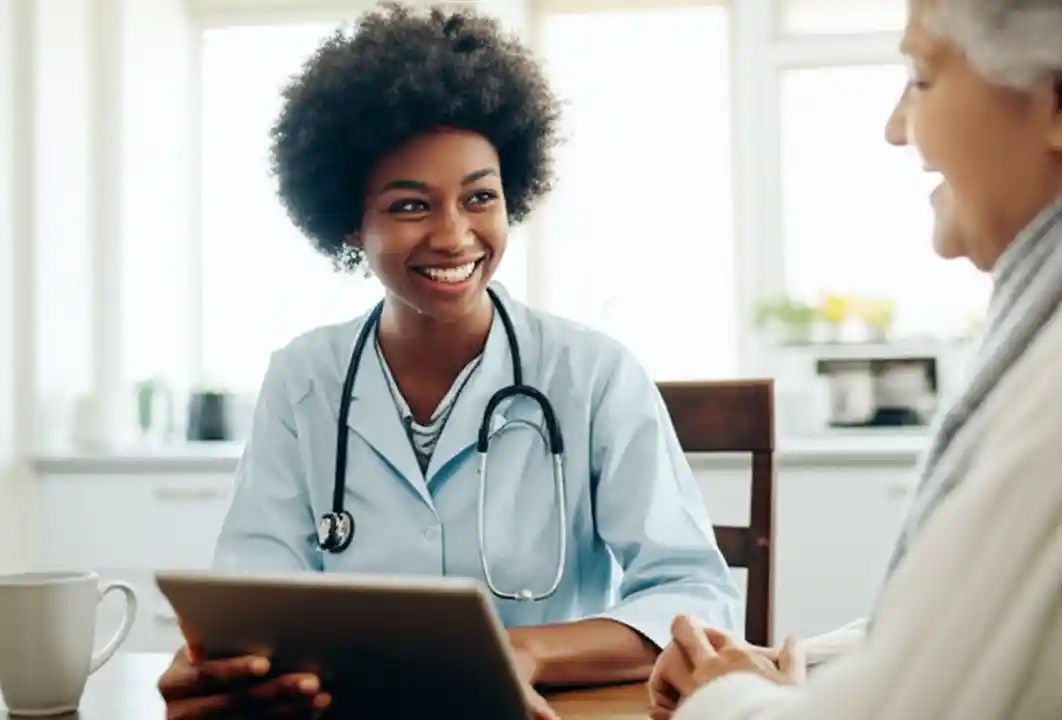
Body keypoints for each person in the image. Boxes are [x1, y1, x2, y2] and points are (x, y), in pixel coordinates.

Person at [649, 0, 1062, 717]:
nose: (895, 127)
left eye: (923, 77)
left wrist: (721, 698)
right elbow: (996, 625)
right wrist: (779, 669)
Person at [155, 5, 738, 718]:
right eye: (410, 206)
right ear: (349, 221)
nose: (455, 236)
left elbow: (695, 598)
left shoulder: (592, 373)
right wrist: (224, 667)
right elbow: (252, 594)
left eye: (479, 197)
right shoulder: (302, 378)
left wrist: (524, 651)